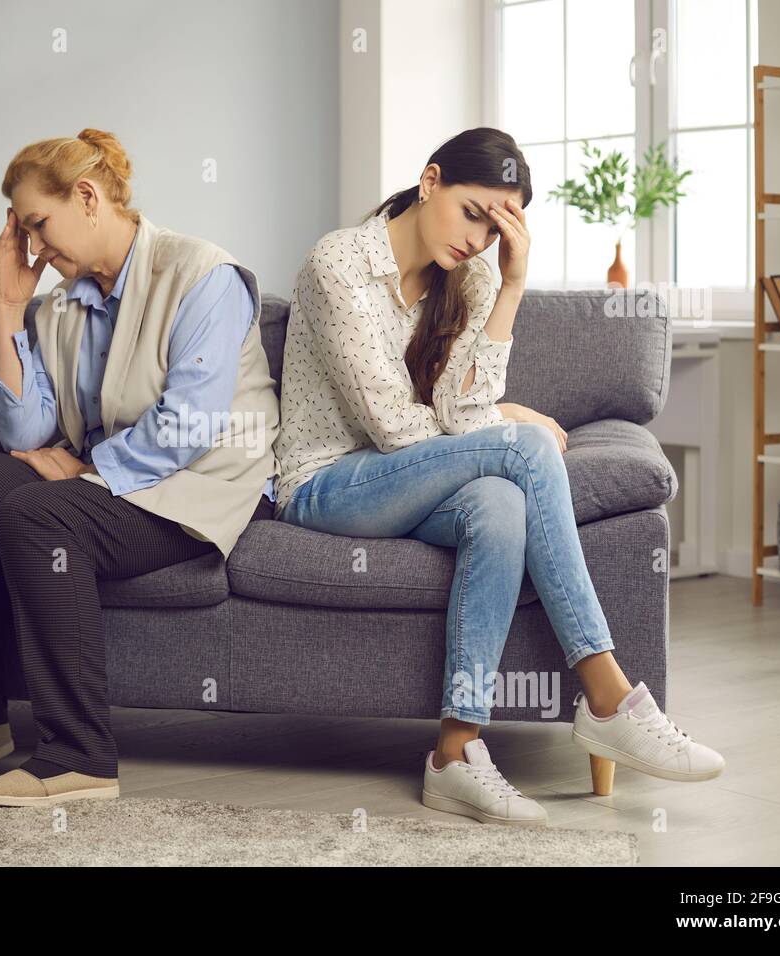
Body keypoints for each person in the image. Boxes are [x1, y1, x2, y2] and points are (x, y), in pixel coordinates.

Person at [273, 126, 725, 826]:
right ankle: (608, 696)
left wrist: (510, 282)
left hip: (407, 480)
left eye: (498, 226)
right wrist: (504, 426)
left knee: (499, 505)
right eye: (472, 212)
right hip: (326, 484)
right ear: (429, 183)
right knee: (524, 451)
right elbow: (396, 426)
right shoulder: (339, 264)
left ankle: (455, 752)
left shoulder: (476, 275)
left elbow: (458, 407)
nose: (478, 237)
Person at [0, 128, 279, 807]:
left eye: (39, 225)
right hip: (120, 486)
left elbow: (189, 426)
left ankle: (79, 754)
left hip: (203, 486)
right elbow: (26, 431)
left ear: (87, 197)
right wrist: (8, 305)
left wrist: (87, 470)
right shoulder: (62, 304)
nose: (35, 246)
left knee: (38, 512)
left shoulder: (202, 275)